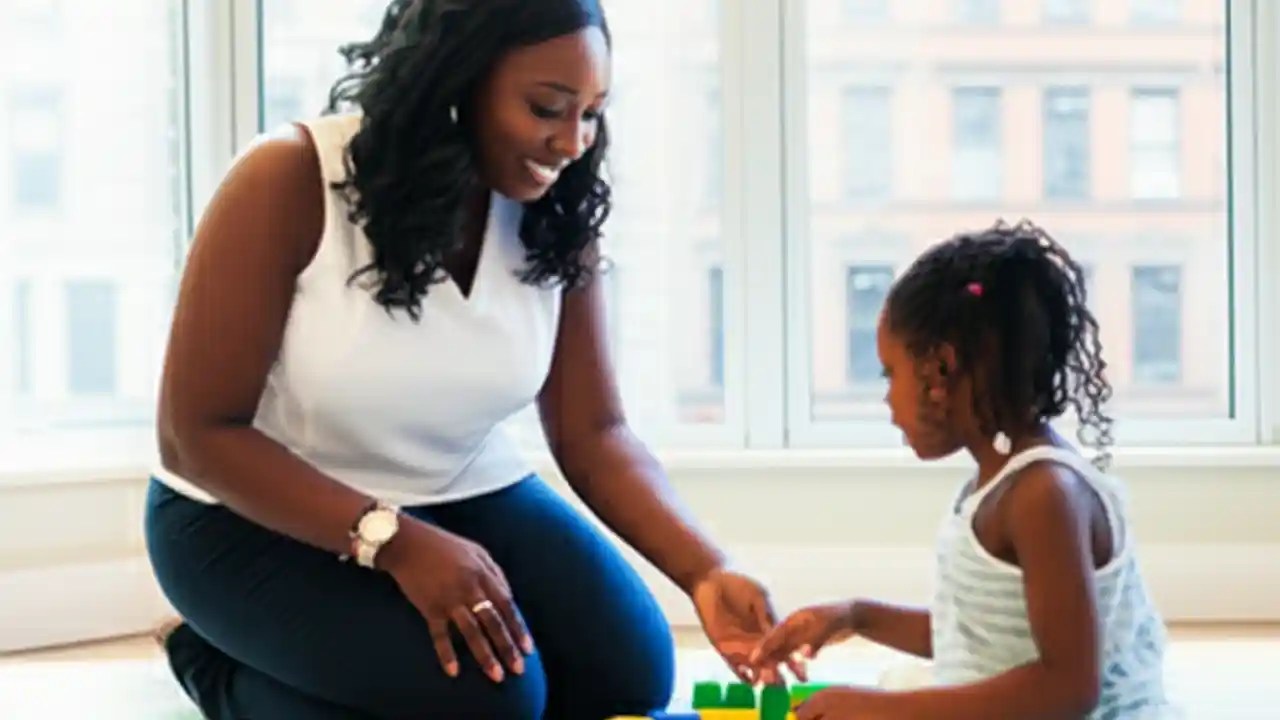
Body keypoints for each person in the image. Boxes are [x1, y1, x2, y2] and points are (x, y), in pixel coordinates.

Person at [143, 1, 793, 717]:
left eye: (592, 113)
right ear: (455, 81)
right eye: (548, 107)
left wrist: (706, 569)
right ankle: (213, 668)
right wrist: (393, 540)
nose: (573, 141)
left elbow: (594, 434)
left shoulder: (556, 210)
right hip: (249, 516)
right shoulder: (289, 179)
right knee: (493, 704)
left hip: (459, 492)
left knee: (627, 677)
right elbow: (197, 434)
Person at [748, 222, 1176, 719]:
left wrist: (884, 712)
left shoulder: (1044, 494)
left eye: (891, 373)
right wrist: (857, 616)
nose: (887, 399)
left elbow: (1067, 688)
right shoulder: (1000, 483)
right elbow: (976, 639)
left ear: (940, 370)